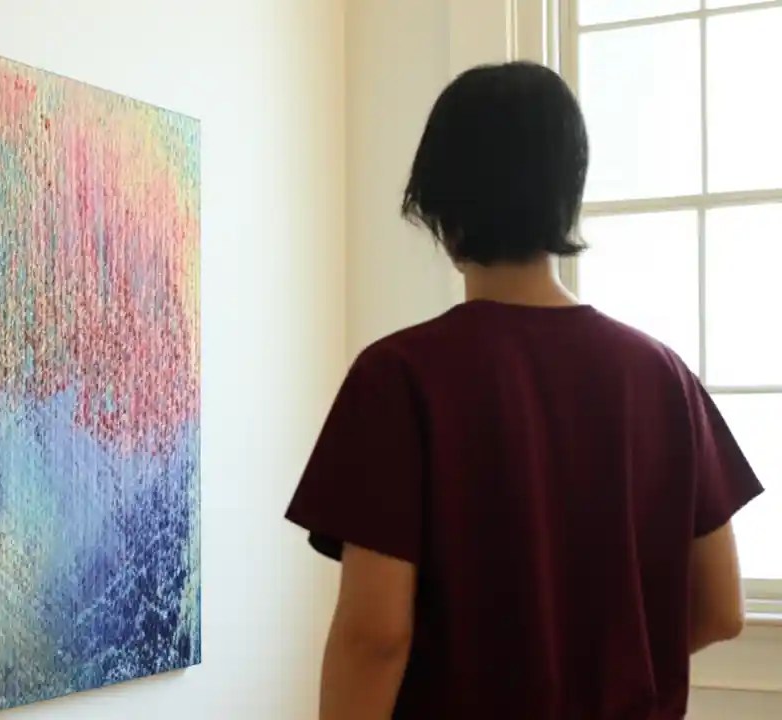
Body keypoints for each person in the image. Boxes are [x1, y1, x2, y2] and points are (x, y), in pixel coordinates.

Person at [285, 62, 763, 720]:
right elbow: (721, 609)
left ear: (441, 204)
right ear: (567, 193)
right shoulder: (664, 378)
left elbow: (376, 635)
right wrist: (597, 668)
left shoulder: (397, 379)